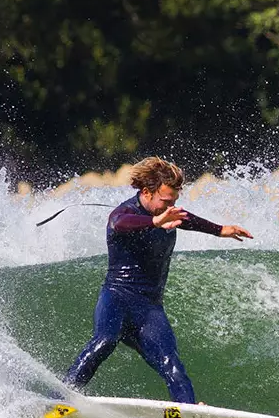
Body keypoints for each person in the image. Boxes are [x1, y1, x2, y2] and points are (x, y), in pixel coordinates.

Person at [64, 157, 253, 404]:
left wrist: (221, 230)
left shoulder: (167, 213)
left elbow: (186, 219)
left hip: (149, 308)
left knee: (171, 363)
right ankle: (62, 398)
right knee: (104, 341)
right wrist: (155, 221)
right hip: (117, 298)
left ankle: (188, 415)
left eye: (174, 202)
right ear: (146, 192)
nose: (170, 207)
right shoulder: (125, 213)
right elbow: (118, 223)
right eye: (165, 201)